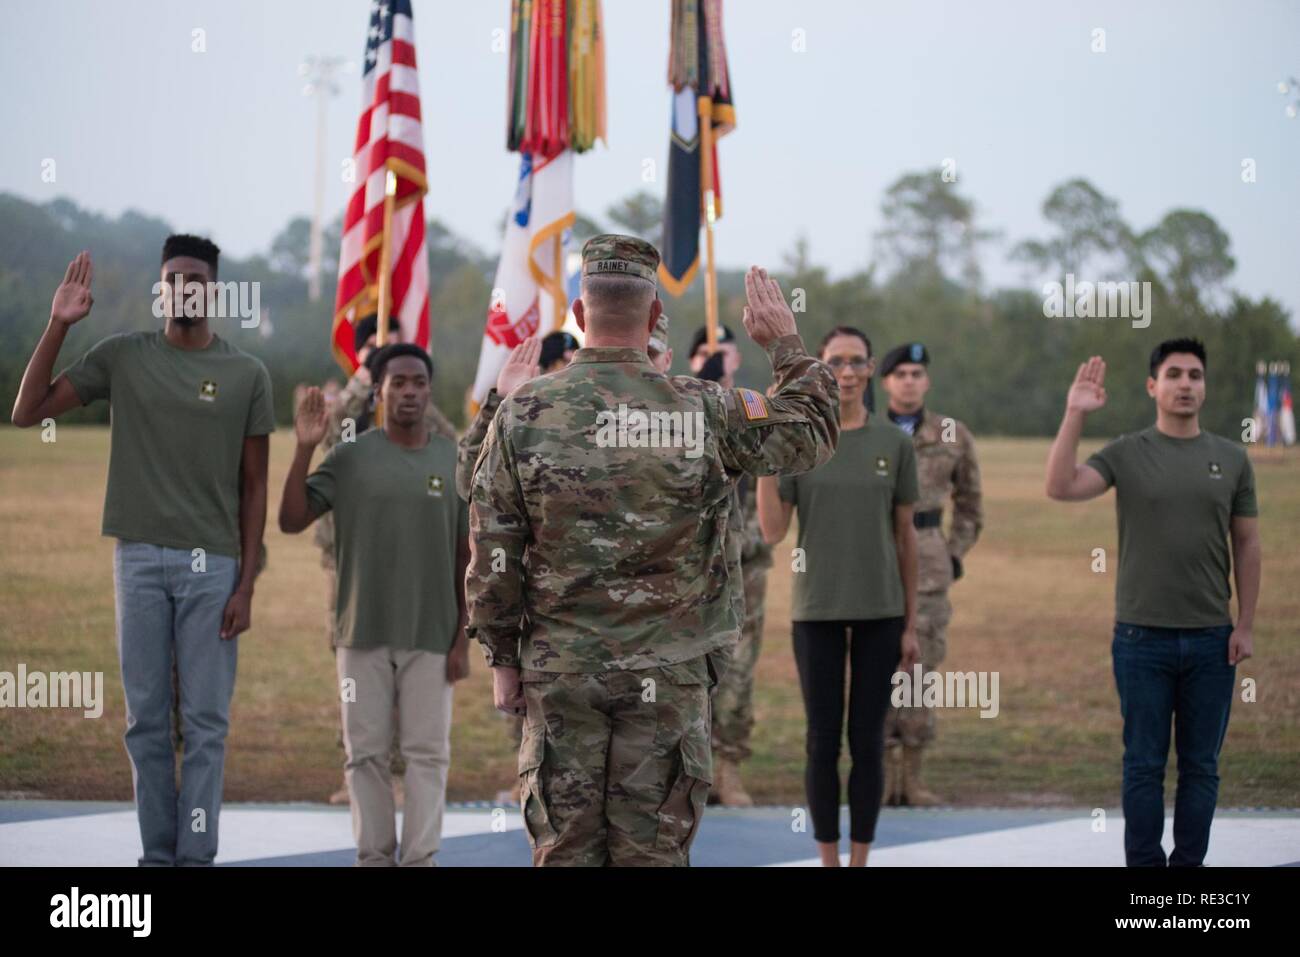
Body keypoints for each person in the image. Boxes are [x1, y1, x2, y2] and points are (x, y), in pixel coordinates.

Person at [466, 235, 839, 867]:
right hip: (669, 674)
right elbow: (813, 434)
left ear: (579, 318)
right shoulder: (705, 408)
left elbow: (493, 545)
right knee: (654, 855)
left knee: (565, 854)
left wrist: (503, 657)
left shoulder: (523, 410)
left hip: (562, 672)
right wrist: (784, 344)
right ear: (657, 318)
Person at [11, 238, 274, 866]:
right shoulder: (123, 357)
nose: (183, 289)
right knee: (146, 723)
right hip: (138, 564)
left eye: (195, 280)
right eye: (173, 279)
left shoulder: (247, 375)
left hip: (215, 568)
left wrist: (246, 586)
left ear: (213, 290)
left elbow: (256, 485)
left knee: (206, 724)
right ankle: (158, 858)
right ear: (162, 288)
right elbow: (27, 411)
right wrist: (58, 323)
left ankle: (196, 856)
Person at [1045, 341, 1260, 867]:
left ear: (1203, 386)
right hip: (1141, 640)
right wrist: (1074, 413)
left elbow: (1248, 545)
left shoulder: (1232, 459)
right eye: (1173, 374)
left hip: (1213, 638)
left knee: (1201, 767)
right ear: (1152, 387)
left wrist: (1246, 625)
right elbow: (1061, 486)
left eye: (1194, 375)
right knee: (1143, 764)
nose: (1185, 384)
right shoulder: (1126, 452)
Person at [280, 343, 470, 867]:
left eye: (417, 382)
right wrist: (303, 449)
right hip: (360, 633)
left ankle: (419, 859)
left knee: (427, 757)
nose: (408, 391)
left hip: (431, 635)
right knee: (364, 756)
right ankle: (375, 858)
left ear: (428, 392)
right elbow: (291, 519)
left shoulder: (450, 461)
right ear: (381, 392)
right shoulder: (350, 457)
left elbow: (465, 556)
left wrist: (462, 639)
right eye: (397, 383)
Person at [756, 325, 920, 867]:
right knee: (822, 742)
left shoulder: (894, 444)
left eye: (856, 362)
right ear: (821, 371)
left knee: (867, 741)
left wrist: (912, 623)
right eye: (835, 363)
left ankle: (860, 859)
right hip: (817, 611)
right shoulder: (803, 444)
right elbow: (775, 531)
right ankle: (828, 859)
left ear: (871, 369)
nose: (846, 372)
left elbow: (905, 537)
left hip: (881, 612)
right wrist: (764, 455)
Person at [316, 313, 457, 806]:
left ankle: (402, 773)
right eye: (377, 348)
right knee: (358, 672)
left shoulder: (418, 401)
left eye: (394, 346)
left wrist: (399, 380)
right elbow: (334, 439)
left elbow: (448, 441)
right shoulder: (353, 408)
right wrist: (363, 382)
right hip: (353, 562)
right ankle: (354, 764)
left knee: (416, 669)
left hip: (416, 559)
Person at [878, 342, 983, 805]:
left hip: (929, 564)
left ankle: (914, 780)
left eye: (917, 373)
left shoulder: (952, 434)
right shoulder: (867, 431)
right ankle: (878, 778)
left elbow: (970, 505)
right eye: (900, 373)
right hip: (875, 559)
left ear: (927, 381)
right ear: (885, 382)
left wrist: (954, 553)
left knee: (919, 671)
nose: (908, 381)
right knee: (872, 670)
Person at [690, 321, 769, 806]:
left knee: (739, 668)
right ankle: (690, 767)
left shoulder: (753, 407)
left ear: (737, 359)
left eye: (722, 350)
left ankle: (729, 767)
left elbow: (772, 472)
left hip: (746, 560)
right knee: (690, 667)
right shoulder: (676, 407)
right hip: (694, 562)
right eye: (702, 352)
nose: (713, 358)